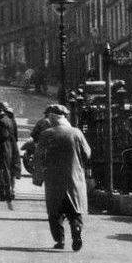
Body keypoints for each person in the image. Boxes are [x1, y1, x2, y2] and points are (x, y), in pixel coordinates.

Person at [36, 104, 91, 251]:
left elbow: (39, 157)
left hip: (54, 180)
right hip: (74, 178)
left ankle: (60, 241)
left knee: (55, 212)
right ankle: (77, 232)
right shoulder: (76, 133)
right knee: (75, 210)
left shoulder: (46, 134)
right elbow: (87, 153)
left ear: (53, 118)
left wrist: (38, 178)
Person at [0, 101, 20, 202]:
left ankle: (5, 193)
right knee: (4, 170)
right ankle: (5, 192)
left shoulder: (1, 120)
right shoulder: (8, 119)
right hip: (7, 147)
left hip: (2, 148)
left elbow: (4, 135)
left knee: (3, 170)